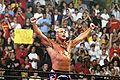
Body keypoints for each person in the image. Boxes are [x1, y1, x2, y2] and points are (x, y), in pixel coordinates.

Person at [31, 18, 96, 79]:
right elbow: (40, 35)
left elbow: (80, 38)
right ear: (57, 35)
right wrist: (34, 24)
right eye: (61, 32)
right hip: (56, 72)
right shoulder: (52, 44)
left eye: (64, 32)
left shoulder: (69, 44)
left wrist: (90, 29)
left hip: (67, 73)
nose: (64, 33)